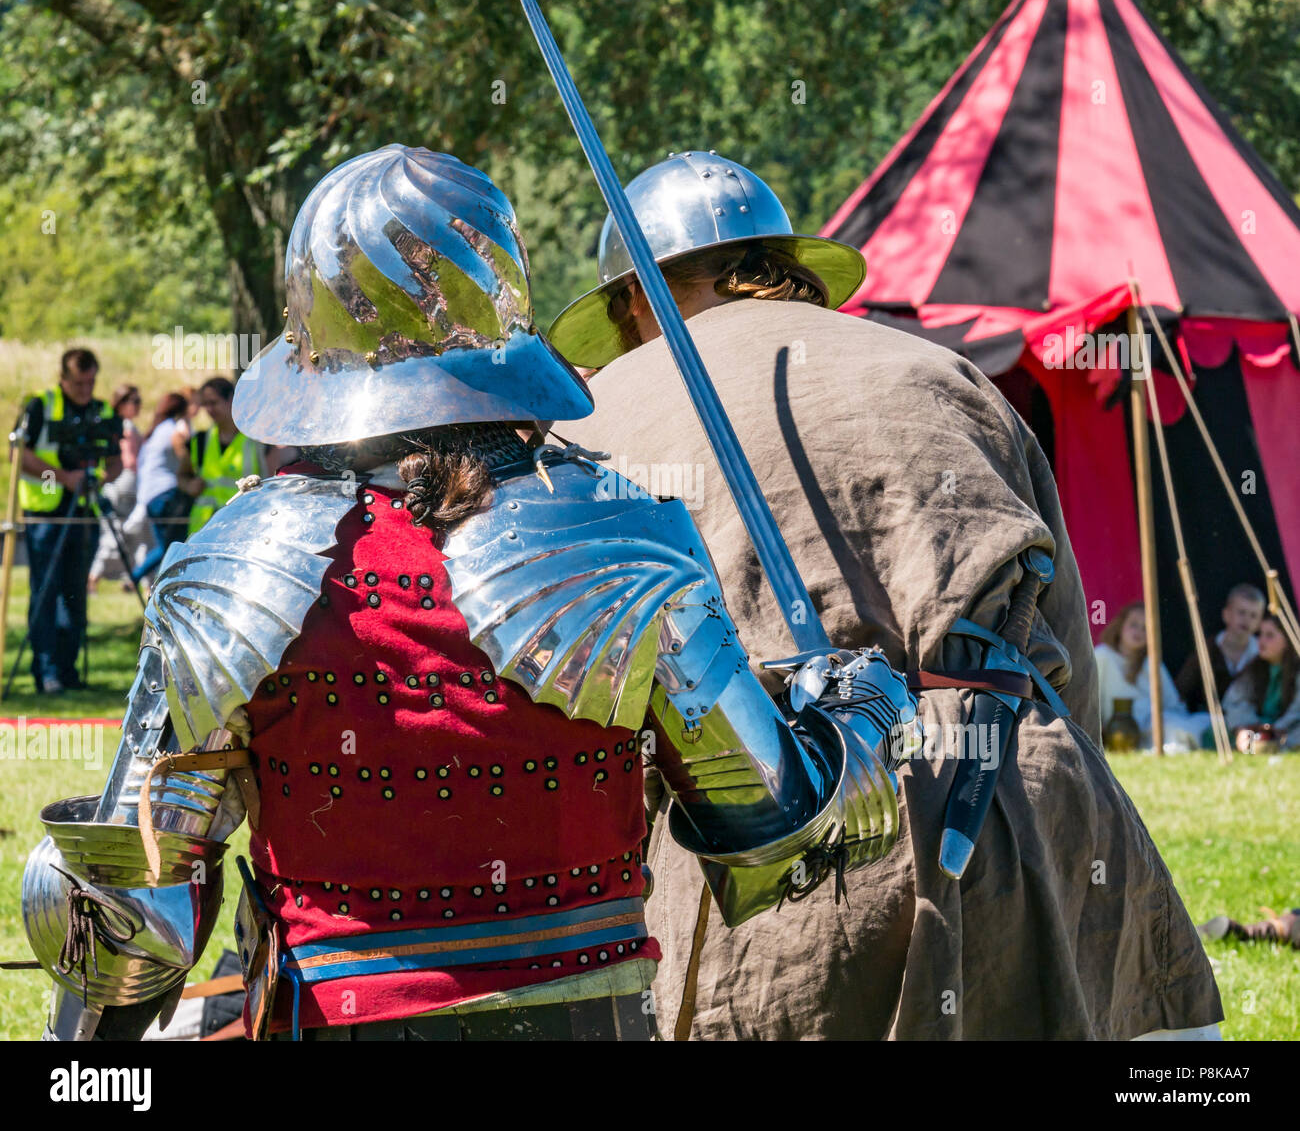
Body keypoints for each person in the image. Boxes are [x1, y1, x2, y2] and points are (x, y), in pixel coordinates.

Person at [20, 145, 915, 1042]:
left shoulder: (234, 568)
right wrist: (859, 704)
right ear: (503, 309)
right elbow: (780, 829)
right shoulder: (625, 536)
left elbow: (131, 923)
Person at [549, 150, 1222, 1039]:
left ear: (635, 300)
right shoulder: (941, 371)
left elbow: (563, 694)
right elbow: (1065, 666)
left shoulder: (585, 425)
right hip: (1020, 798)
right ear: (784, 272)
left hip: (769, 841)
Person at [14, 347, 121, 694]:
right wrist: (62, 477)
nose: (85, 390)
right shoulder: (40, 406)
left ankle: (68, 670)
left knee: (75, 593)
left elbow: (116, 462)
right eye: (78, 384)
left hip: (83, 514)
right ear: (63, 378)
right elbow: (20, 454)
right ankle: (46, 672)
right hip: (45, 513)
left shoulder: (102, 411)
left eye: (90, 383)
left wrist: (98, 479)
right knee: (45, 592)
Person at [1096, 603, 1212, 752]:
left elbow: (1171, 702)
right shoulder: (1102, 656)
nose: (1139, 631)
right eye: (1134, 625)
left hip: (1153, 723)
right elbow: (1090, 698)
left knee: (1193, 723)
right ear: (1121, 625)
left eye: (1145, 628)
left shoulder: (1151, 662)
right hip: (1120, 729)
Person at [177, 376, 262, 534]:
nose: (209, 409)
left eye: (213, 402)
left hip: (243, 525)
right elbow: (182, 475)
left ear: (231, 399)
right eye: (205, 405)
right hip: (203, 528)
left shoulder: (256, 439)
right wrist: (189, 486)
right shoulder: (201, 440)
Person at [127, 392, 191, 584]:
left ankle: (144, 580)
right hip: (166, 493)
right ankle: (138, 577)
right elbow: (183, 454)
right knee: (173, 545)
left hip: (149, 495)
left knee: (164, 545)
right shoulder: (173, 429)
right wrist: (190, 471)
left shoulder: (155, 431)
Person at [88, 384, 147, 589]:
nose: (139, 405)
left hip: (121, 487)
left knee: (120, 538)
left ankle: (100, 579)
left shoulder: (121, 424)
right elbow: (129, 460)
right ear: (123, 403)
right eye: (135, 401)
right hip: (124, 488)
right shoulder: (126, 427)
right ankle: (93, 578)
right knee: (115, 538)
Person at [1175, 583, 1265, 713]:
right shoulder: (1207, 650)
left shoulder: (1262, 653)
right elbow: (1182, 690)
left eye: (1253, 615)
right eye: (1241, 612)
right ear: (1226, 614)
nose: (1246, 620)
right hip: (1207, 720)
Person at [1222, 613, 1300, 751]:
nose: (1261, 641)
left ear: (1287, 639)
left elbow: (1297, 710)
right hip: (1256, 729)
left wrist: (1276, 729)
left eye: (1269, 635)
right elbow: (1234, 701)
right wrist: (1245, 728)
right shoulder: (1254, 668)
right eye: (1260, 634)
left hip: (1288, 730)